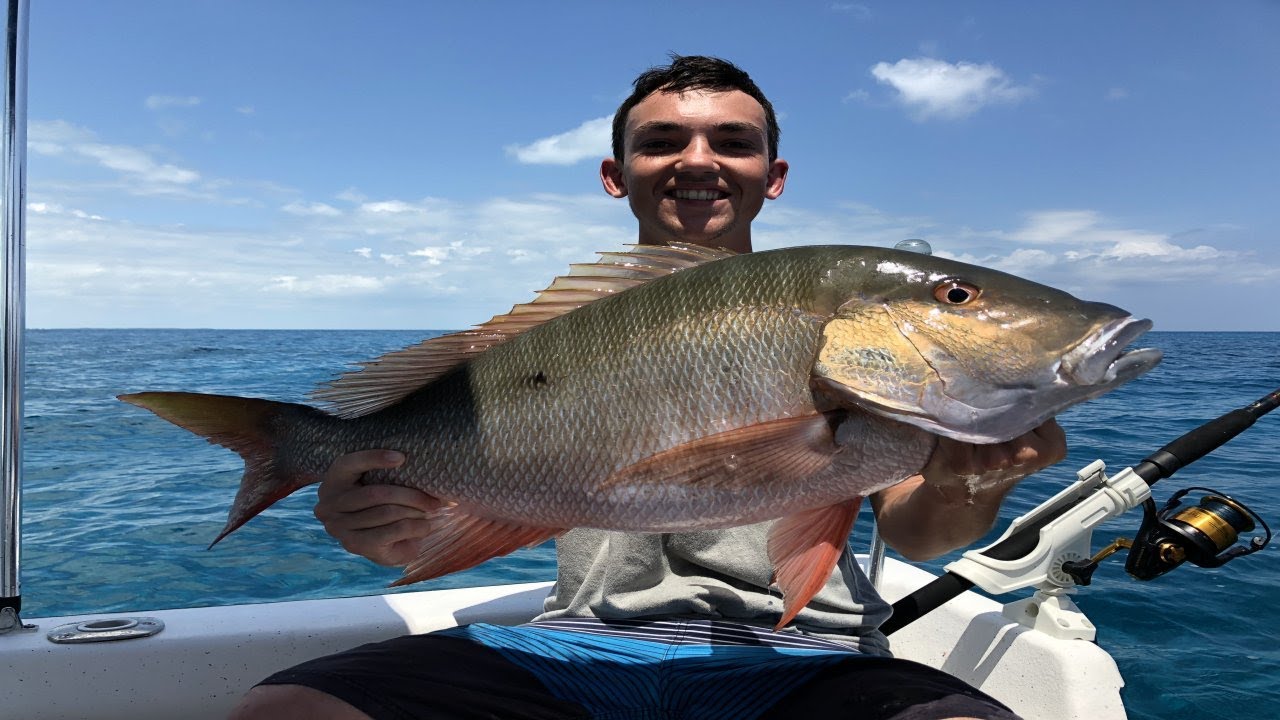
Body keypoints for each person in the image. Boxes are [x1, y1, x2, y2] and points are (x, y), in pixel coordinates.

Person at [229, 55, 1066, 720]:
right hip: (576, 646)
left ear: (773, 175)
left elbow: (918, 536)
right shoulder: (555, 337)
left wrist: (970, 482)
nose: (698, 160)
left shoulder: (883, 359)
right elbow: (429, 528)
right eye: (663, 141)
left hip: (805, 659)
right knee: (287, 711)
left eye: (732, 142)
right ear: (616, 172)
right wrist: (381, 528)